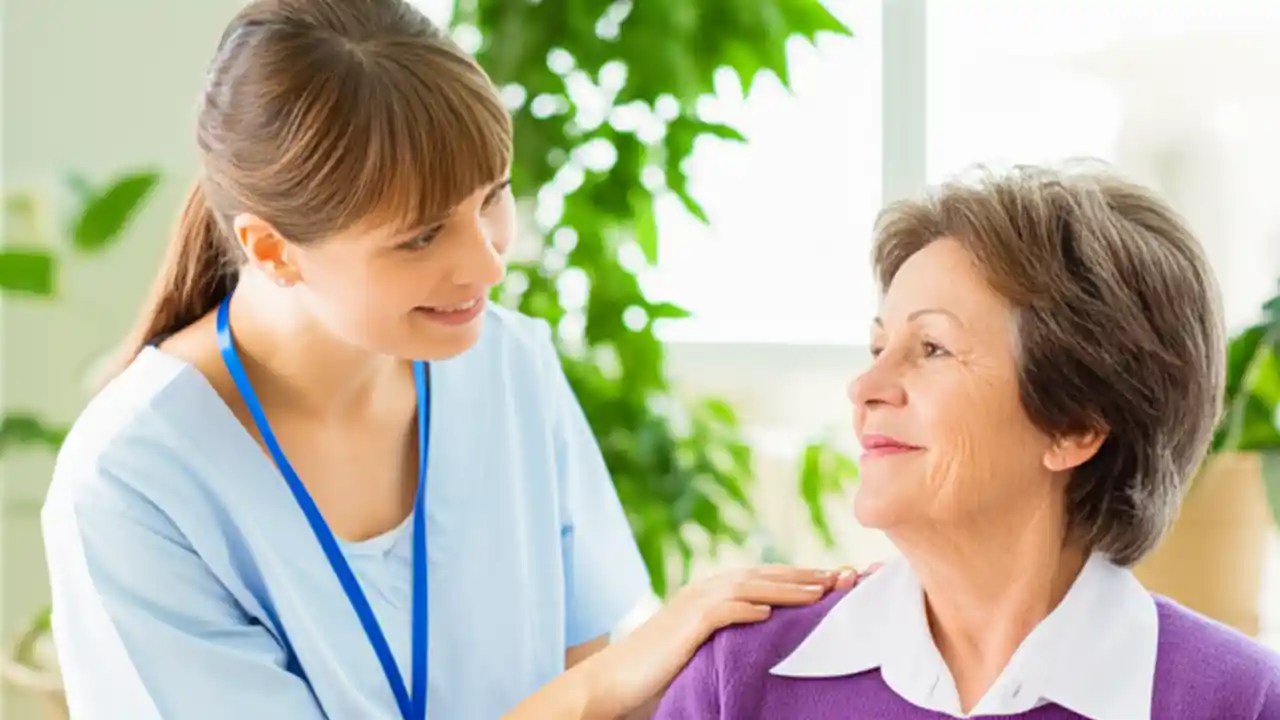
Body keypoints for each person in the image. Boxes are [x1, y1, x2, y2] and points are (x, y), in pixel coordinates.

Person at [38, 1, 863, 718]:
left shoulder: (508, 365)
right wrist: (593, 691)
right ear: (272, 248)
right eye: (422, 236)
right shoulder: (134, 482)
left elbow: (610, 676)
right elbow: (595, 688)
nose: (489, 263)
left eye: (492, 196)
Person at [653, 163, 1280, 719]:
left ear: (1076, 425)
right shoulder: (738, 676)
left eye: (931, 349)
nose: (866, 386)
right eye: (878, 347)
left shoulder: (1242, 702)